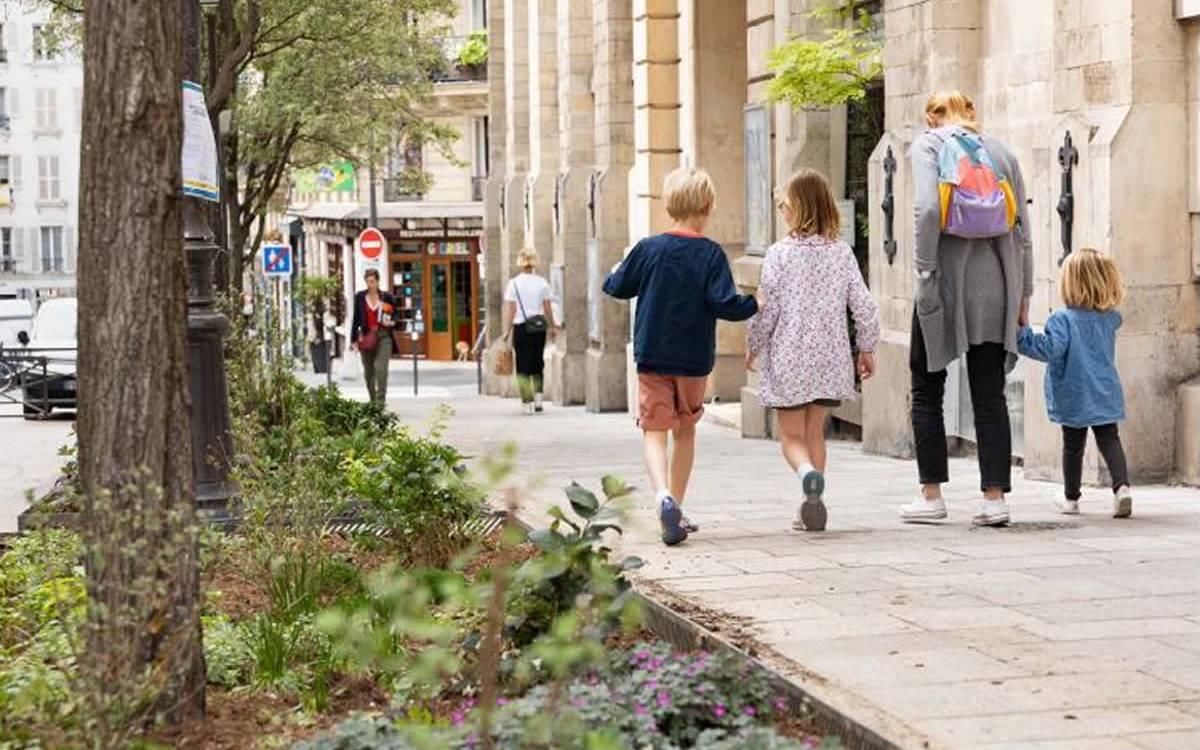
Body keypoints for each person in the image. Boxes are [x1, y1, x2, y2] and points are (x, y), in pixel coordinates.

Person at [603, 166, 758, 546]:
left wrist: (616, 270)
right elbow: (725, 304)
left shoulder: (648, 248)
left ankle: (662, 498)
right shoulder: (710, 254)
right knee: (685, 430)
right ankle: (678, 504)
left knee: (654, 431)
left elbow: (616, 287)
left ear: (669, 205)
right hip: (692, 359)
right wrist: (756, 303)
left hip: (653, 355)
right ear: (707, 207)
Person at [899, 90, 1033, 527]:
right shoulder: (999, 151)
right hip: (996, 285)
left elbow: (924, 211)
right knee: (989, 392)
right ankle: (994, 499)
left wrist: (923, 272)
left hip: (943, 283)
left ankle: (931, 495)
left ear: (931, 117)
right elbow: (1022, 230)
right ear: (972, 114)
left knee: (925, 384)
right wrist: (1023, 295)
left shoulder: (928, 144)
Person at [746, 169, 879, 532]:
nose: (782, 209)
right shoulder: (842, 253)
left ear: (797, 206)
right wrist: (865, 348)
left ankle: (806, 476)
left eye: (785, 203)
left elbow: (767, 307)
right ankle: (813, 501)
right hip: (830, 358)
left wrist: (753, 345)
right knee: (815, 433)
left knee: (790, 437)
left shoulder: (779, 254)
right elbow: (864, 305)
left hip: (790, 357)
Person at [1018, 248, 1132, 518]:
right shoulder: (1110, 318)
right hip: (1105, 389)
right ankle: (1122, 487)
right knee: (1109, 439)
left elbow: (1049, 349)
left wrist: (1022, 334)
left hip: (1074, 391)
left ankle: (1071, 498)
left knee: (1073, 445)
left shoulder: (1062, 320)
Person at [503, 246, 557, 415]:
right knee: (537, 363)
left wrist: (507, 330)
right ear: (534, 263)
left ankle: (527, 402)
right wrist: (553, 326)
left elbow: (511, 310)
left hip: (521, 328)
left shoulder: (514, 284)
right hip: (538, 328)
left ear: (520, 263)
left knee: (522, 365)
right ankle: (539, 399)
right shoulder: (542, 282)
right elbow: (547, 308)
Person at [350, 268, 397, 404]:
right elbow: (356, 319)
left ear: (377, 281)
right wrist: (353, 340)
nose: (371, 284)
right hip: (366, 337)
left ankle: (380, 402)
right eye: (368, 281)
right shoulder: (360, 297)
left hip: (383, 336)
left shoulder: (386, 297)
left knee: (380, 368)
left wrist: (391, 321)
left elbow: (395, 316)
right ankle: (373, 400)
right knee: (369, 372)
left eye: (373, 281)